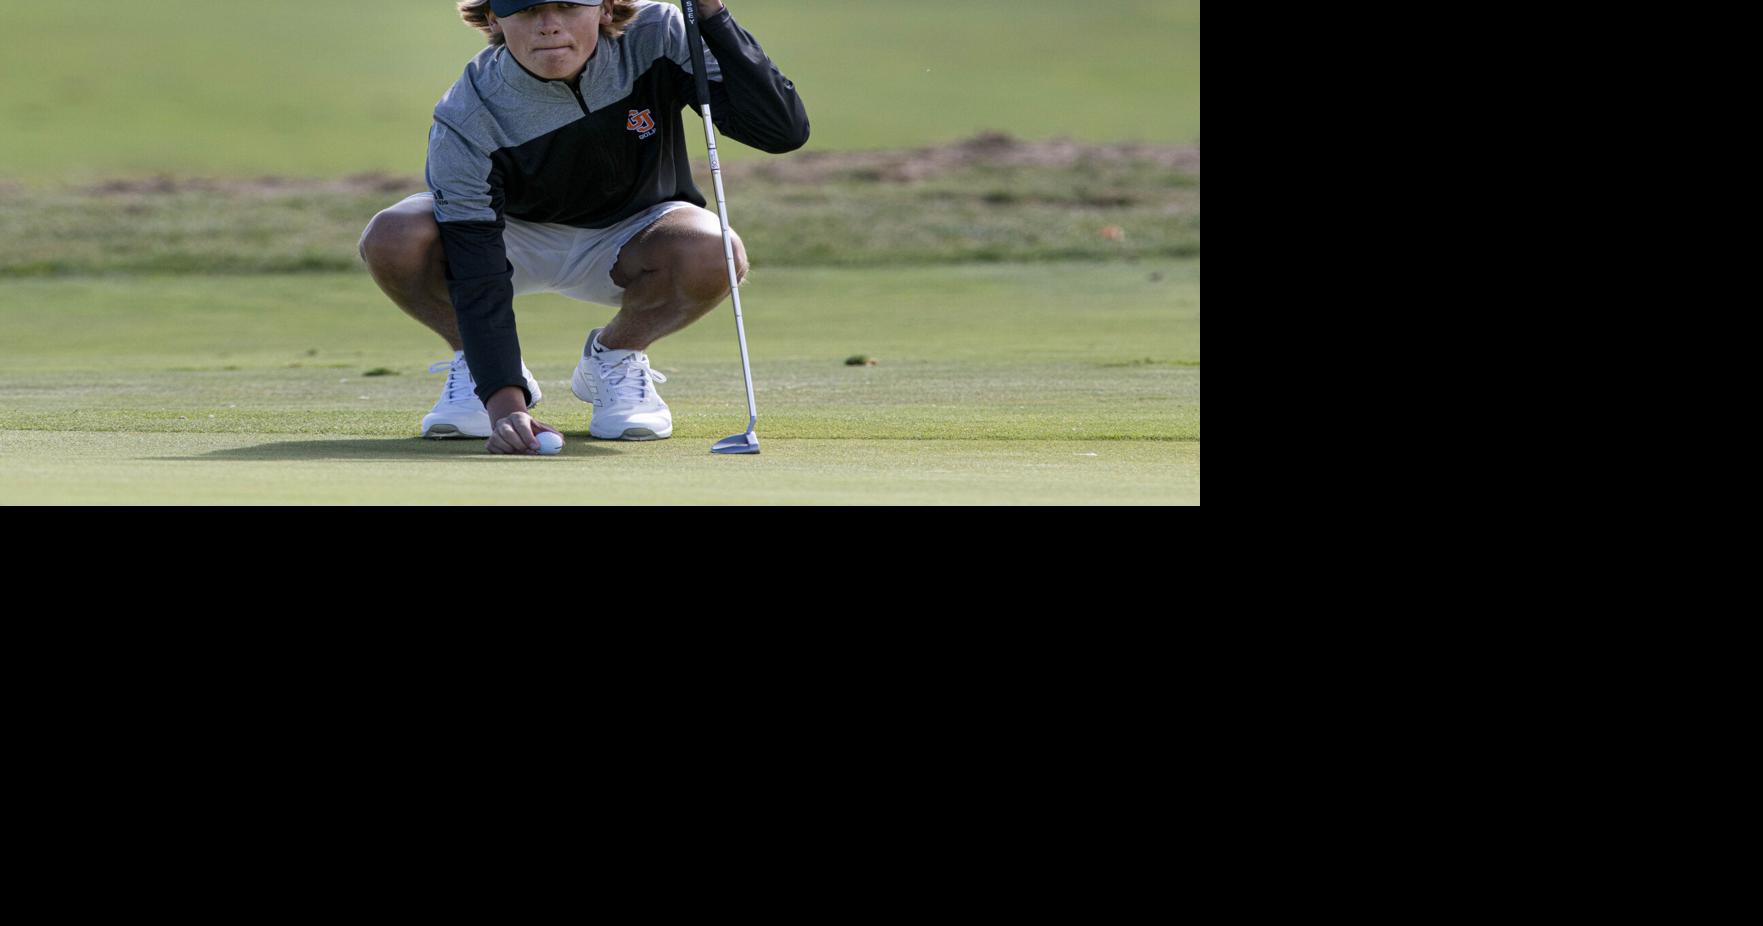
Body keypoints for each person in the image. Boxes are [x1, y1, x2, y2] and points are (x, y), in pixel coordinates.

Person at [358, 0, 808, 454]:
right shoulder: (467, 113)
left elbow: (780, 130)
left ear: (607, 9)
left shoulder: (660, 32)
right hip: (513, 236)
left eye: (569, 6)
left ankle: (614, 357)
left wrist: (712, 14)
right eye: (527, 10)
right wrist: (504, 402)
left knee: (717, 252)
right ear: (494, 19)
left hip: (637, 235)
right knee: (394, 236)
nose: (549, 27)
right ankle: (483, 371)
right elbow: (475, 263)